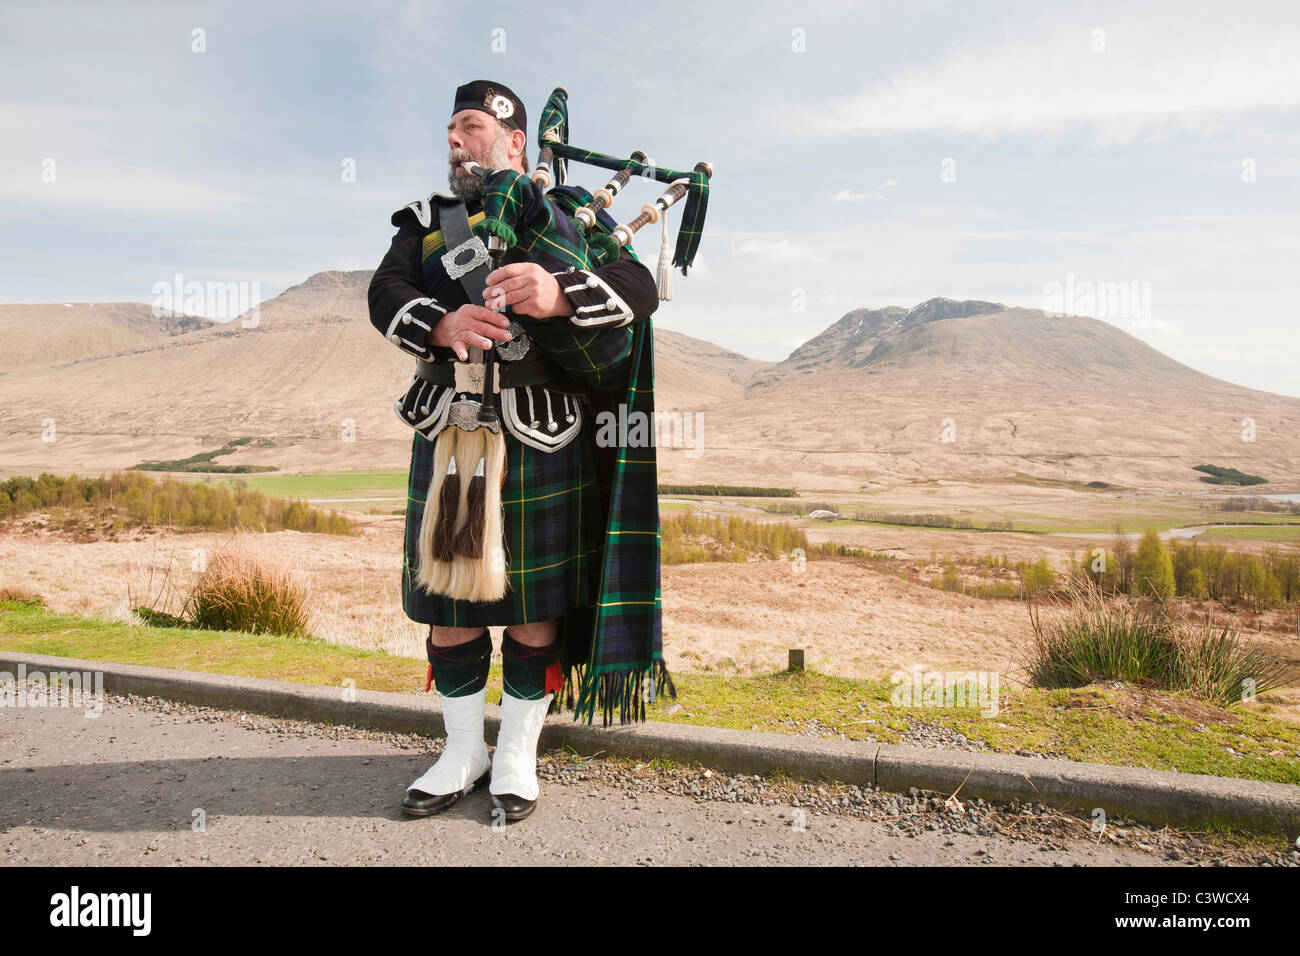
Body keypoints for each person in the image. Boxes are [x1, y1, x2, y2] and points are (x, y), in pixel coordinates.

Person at [367, 81, 663, 823]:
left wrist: (559, 290)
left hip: (541, 436)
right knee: (449, 606)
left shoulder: (567, 221)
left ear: (515, 142)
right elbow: (385, 290)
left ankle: (516, 756)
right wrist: (437, 323)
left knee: (535, 610)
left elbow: (638, 286)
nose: (455, 142)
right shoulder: (429, 226)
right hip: (450, 431)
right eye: (450, 130)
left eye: (470, 127)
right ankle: (461, 753)